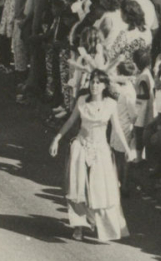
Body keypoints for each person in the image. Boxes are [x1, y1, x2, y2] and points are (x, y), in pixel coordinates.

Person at [50, 70, 130, 242]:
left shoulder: (110, 104)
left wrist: (127, 149)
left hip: (101, 150)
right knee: (78, 188)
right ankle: (78, 226)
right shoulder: (82, 101)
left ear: (105, 85)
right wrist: (56, 139)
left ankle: (100, 225)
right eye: (92, 82)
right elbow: (70, 121)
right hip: (81, 146)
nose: (94, 85)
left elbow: (117, 128)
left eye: (98, 82)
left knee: (100, 190)